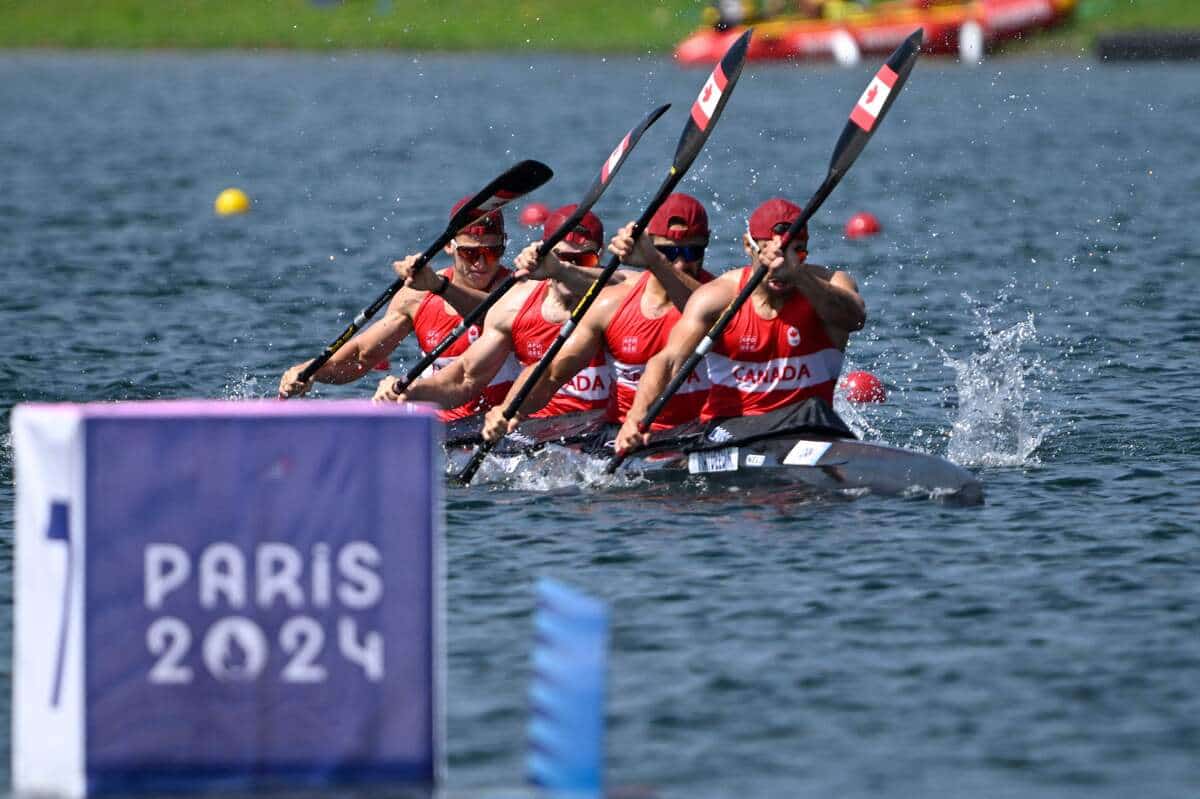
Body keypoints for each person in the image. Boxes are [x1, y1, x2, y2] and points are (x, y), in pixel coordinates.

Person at [615, 197, 866, 455]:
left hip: (812, 428)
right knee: (813, 412)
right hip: (728, 431)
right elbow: (666, 361)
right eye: (770, 253)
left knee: (815, 411)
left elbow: (855, 319)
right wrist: (636, 418)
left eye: (797, 252)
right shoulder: (719, 297)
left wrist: (798, 274)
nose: (780, 266)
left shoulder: (832, 284)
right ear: (749, 246)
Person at [481, 194, 716, 443]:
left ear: (707, 243)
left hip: (696, 433)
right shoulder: (611, 303)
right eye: (668, 252)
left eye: (692, 251)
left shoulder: (723, 298)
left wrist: (657, 261)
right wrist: (509, 409)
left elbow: (697, 310)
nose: (679, 264)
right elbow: (551, 372)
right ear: (649, 242)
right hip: (624, 436)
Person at [277, 197, 518, 421]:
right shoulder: (416, 296)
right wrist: (311, 371)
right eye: (470, 252)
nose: (481, 263)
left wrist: (438, 286)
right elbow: (362, 356)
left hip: (499, 425)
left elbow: (493, 313)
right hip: (441, 423)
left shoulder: (520, 290)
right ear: (448, 247)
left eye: (493, 251)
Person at [374, 205, 618, 418]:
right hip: (536, 429)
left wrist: (561, 270)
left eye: (584, 261)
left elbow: (634, 281)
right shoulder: (514, 305)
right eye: (561, 259)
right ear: (545, 256)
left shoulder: (619, 299)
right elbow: (465, 378)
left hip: (603, 429)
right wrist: (410, 391)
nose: (569, 267)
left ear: (601, 256)